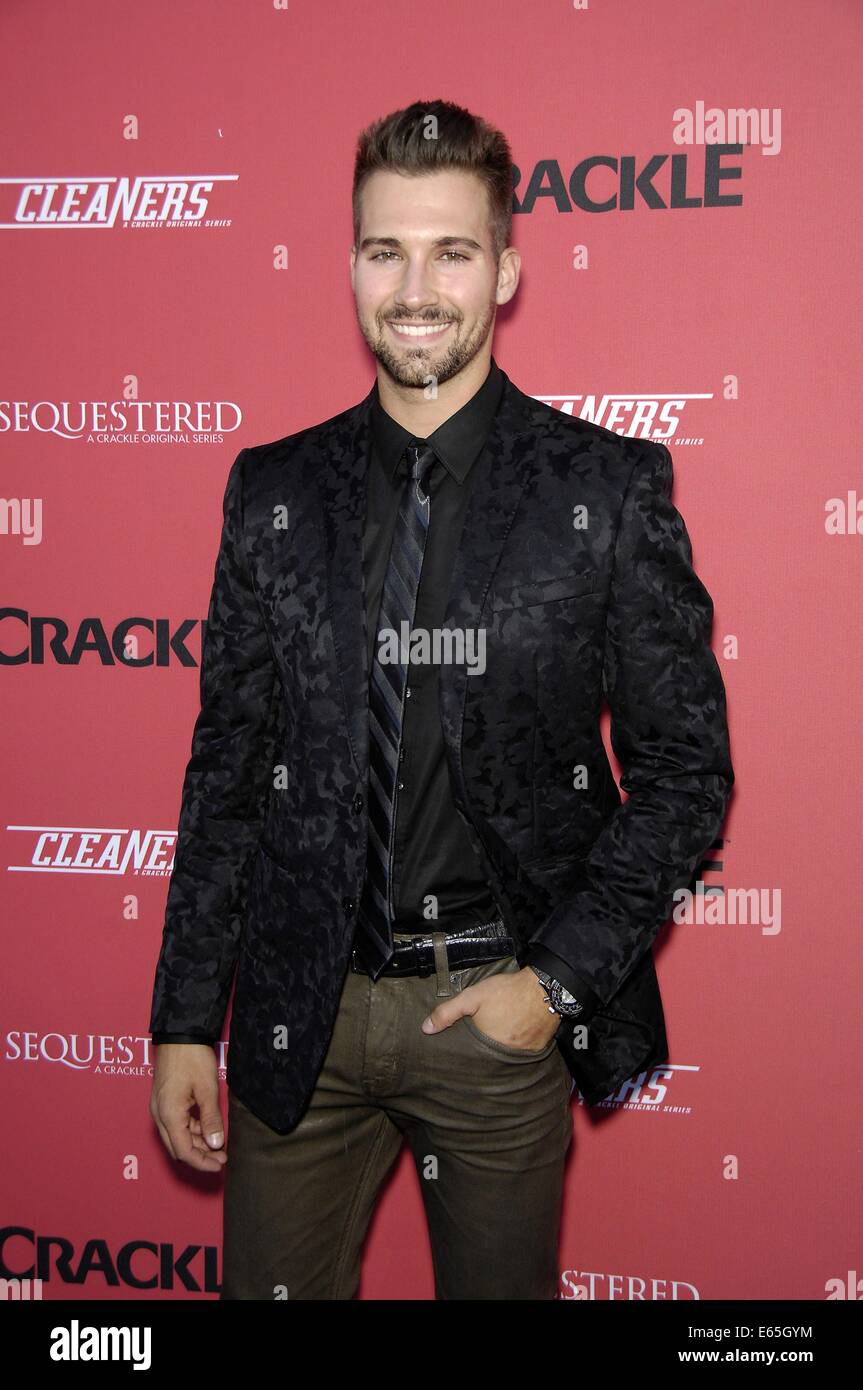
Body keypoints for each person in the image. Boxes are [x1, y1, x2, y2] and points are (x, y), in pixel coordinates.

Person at [148, 98, 734, 1300]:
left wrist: (553, 987)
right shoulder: (272, 488)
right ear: (352, 265)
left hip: (492, 1017)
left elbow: (685, 774)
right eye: (384, 250)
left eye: (450, 251)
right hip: (296, 1015)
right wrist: (182, 1018)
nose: (414, 287)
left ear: (506, 269)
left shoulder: (606, 490)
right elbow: (226, 769)